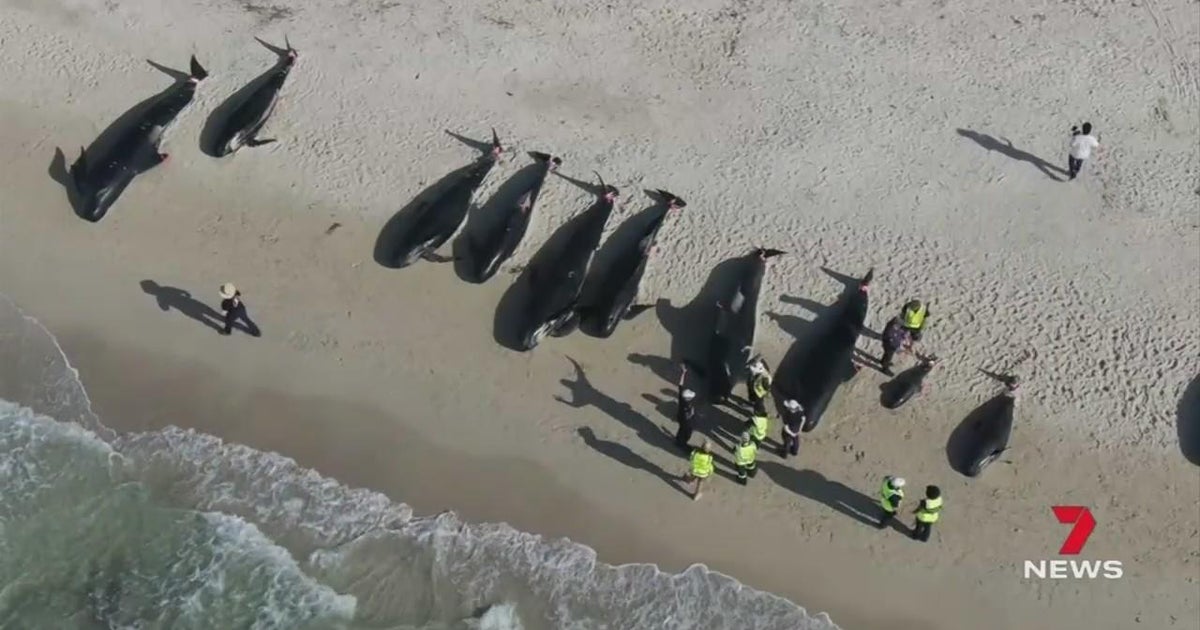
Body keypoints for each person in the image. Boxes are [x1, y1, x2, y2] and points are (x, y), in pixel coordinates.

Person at [675, 364, 698, 454]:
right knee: (687, 433)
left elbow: (680, 385)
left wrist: (683, 373)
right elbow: (687, 418)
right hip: (685, 421)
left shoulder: (682, 397)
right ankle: (682, 444)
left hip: (680, 418)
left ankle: (678, 440)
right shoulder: (686, 405)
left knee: (681, 429)